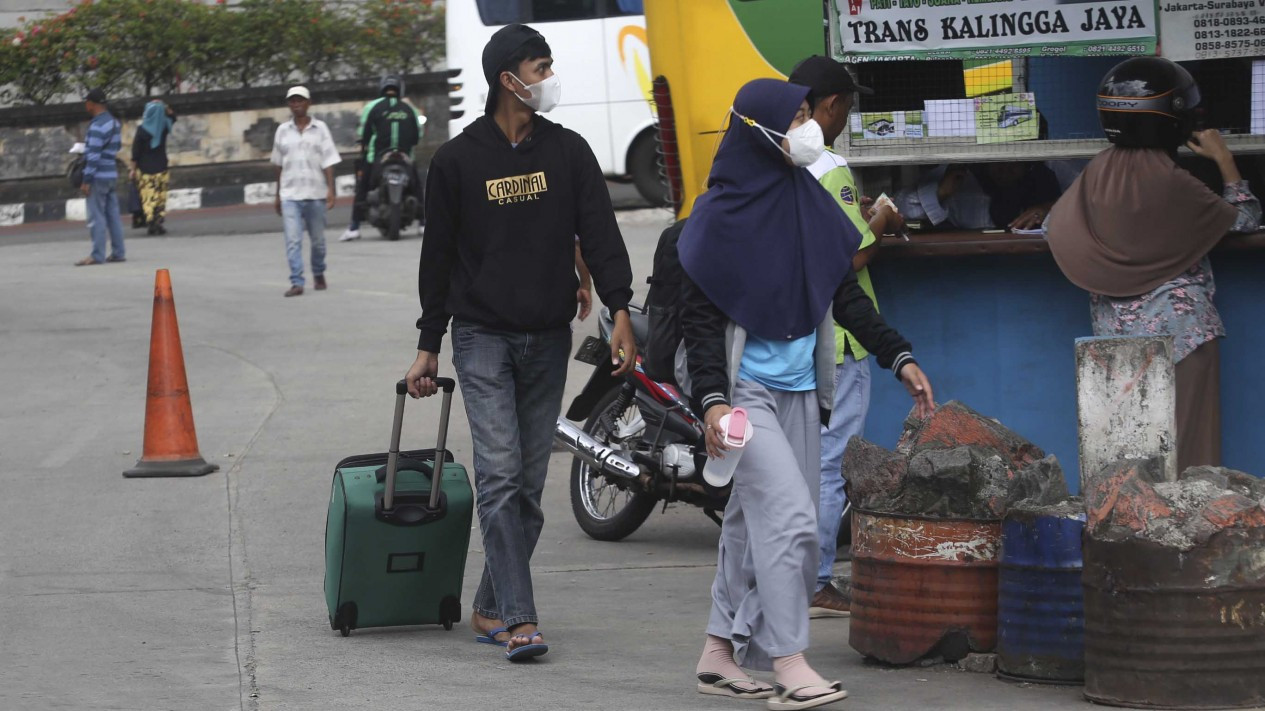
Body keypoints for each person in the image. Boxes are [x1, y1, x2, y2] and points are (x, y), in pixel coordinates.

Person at [680, 78, 934, 708]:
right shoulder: (715, 219)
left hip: (801, 391)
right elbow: (701, 323)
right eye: (794, 118)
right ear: (759, 130)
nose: (807, 128)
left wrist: (896, 354)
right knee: (794, 523)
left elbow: (841, 294)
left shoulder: (808, 202)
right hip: (744, 396)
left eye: (805, 115)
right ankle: (789, 662)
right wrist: (712, 401)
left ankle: (718, 652)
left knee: (745, 525)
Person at [404, 23, 637, 662]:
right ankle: (520, 619)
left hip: (547, 338)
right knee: (500, 473)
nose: (549, 77)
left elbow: (600, 231)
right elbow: (438, 259)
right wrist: (431, 342)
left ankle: (486, 606)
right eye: (541, 67)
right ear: (510, 79)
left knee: (527, 487)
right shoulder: (456, 161)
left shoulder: (568, 152)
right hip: (481, 336)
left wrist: (620, 309)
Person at [1046, 56, 1261, 471]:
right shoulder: (1172, 180)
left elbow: (1055, 223)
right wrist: (1225, 161)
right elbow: (1244, 219)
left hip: (1115, 338)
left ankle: (1131, 538)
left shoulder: (1098, 171)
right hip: (1184, 337)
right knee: (1190, 460)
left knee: (1127, 464)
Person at [787, 56, 904, 619]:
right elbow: (850, 256)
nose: (846, 118)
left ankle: (790, 575)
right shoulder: (829, 166)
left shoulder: (774, 154)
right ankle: (815, 581)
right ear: (831, 106)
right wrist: (882, 219)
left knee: (801, 462)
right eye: (848, 107)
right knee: (831, 465)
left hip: (791, 337)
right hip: (841, 342)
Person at [270, 85, 340, 297]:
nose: (296, 104)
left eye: (300, 100)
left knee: (318, 241)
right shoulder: (282, 131)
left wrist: (331, 190)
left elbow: (329, 161)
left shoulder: (320, 129)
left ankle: (318, 272)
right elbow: (278, 164)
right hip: (290, 194)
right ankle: (297, 281)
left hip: (316, 193)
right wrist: (277, 194)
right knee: (293, 240)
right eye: (292, 101)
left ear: (308, 103)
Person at [341, 75, 423, 241]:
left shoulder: (372, 107)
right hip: (405, 157)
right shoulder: (409, 109)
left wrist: (365, 148)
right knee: (417, 186)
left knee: (362, 188)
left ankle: (354, 227)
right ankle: (423, 222)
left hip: (377, 157)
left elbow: (364, 134)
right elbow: (416, 136)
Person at [896, 160, 1068, 231]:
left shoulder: (1047, 174)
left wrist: (1050, 209)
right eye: (999, 162)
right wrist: (941, 193)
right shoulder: (961, 176)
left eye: (1015, 163)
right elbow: (901, 208)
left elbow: (1086, 203)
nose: (1005, 170)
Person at [75, 88, 126, 266]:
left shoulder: (96, 126)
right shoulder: (114, 123)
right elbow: (116, 147)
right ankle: (119, 252)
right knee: (113, 215)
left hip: (97, 176)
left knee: (96, 216)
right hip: (111, 173)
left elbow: (94, 156)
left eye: (87, 102)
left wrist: (86, 180)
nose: (85, 105)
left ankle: (97, 255)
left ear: (91, 104)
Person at [131, 99, 176, 236]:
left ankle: (151, 224)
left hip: (145, 170)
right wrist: (164, 106)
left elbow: (135, 152)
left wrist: (132, 170)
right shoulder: (163, 127)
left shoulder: (142, 130)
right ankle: (158, 222)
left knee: (149, 197)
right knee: (160, 196)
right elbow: (173, 117)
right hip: (161, 167)